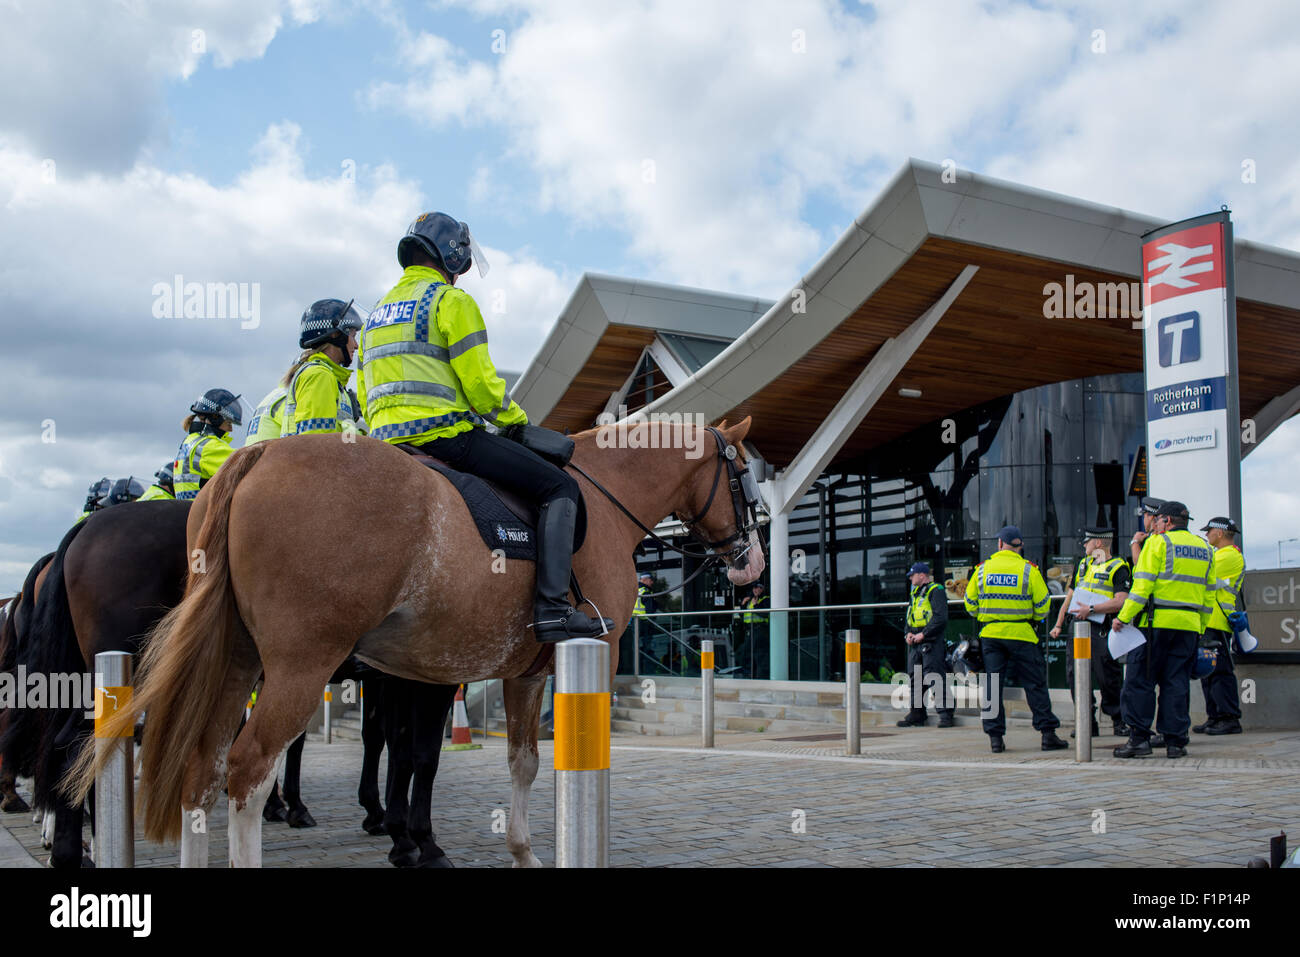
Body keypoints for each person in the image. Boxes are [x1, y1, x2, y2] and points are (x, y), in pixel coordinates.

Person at [357, 211, 610, 642]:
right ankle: (551, 610)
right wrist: (514, 422)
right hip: (447, 437)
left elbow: (363, 393)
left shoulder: (374, 318)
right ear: (454, 257)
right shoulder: (449, 301)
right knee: (558, 488)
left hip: (384, 445)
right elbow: (480, 386)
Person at [1111, 501, 1215, 759]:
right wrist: (1200, 627)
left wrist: (1123, 618)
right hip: (1189, 626)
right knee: (1176, 683)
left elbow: (1141, 587)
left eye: (1157, 520)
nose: (1154, 524)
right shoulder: (1205, 548)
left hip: (1156, 625)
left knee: (1140, 682)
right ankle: (1176, 743)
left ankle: (1139, 740)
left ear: (1167, 521)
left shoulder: (1158, 543)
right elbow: (1210, 595)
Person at [965, 525, 1068, 754]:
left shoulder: (982, 570)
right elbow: (1043, 606)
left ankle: (995, 739)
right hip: (1023, 634)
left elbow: (970, 604)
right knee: (1035, 685)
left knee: (992, 687)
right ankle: (1047, 735)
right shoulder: (1028, 570)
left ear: (1000, 544)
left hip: (991, 636)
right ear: (1019, 546)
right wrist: (1030, 617)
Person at [1049, 527, 1131, 738]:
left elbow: (1121, 600)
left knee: (1107, 675)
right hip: (1078, 628)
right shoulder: (1083, 565)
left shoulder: (1118, 567)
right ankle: (1087, 722)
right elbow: (1070, 597)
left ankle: (1118, 719)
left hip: (1100, 628)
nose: (1083, 546)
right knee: (1075, 674)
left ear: (1097, 544)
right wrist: (1058, 624)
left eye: (1086, 542)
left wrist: (1092, 610)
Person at [281, 299, 366, 438]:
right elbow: (316, 442)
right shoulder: (319, 375)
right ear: (336, 335)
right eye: (352, 336)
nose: (356, 345)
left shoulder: (330, 378)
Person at [1196, 516, 1244, 735]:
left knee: (1221, 671)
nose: (1206, 534)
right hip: (1208, 620)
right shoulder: (1218, 554)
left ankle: (1229, 718)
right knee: (1207, 670)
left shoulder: (1229, 556)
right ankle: (1214, 716)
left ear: (1220, 532)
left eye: (1209, 531)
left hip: (1218, 621)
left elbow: (1202, 575)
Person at [897, 562, 954, 728]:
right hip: (915, 642)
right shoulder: (915, 593)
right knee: (915, 679)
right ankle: (917, 714)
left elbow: (940, 618)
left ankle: (945, 715)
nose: (910, 577)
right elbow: (910, 616)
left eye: (912, 575)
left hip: (931, 642)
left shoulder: (936, 590)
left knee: (935, 676)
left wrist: (924, 634)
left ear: (922, 575)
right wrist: (907, 633)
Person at [173, 389, 245, 500]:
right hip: (201, 512)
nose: (231, 429)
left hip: (186, 509)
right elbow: (246, 469)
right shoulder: (209, 447)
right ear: (215, 418)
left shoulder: (191, 440)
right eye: (229, 423)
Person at [738, 582, 769, 679]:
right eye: (754, 588)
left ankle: (760, 676)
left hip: (760, 630)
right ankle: (748, 675)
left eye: (759, 588)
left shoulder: (766, 599)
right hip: (749, 630)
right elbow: (742, 615)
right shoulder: (749, 600)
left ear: (763, 589)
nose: (756, 590)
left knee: (759, 655)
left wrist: (756, 606)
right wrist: (743, 605)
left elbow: (764, 614)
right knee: (746, 654)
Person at [1130, 496, 1166, 566]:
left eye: (1144, 516)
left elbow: (1141, 567)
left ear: (1151, 517)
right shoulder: (1167, 537)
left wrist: (1135, 542)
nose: (1144, 520)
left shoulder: (1154, 540)